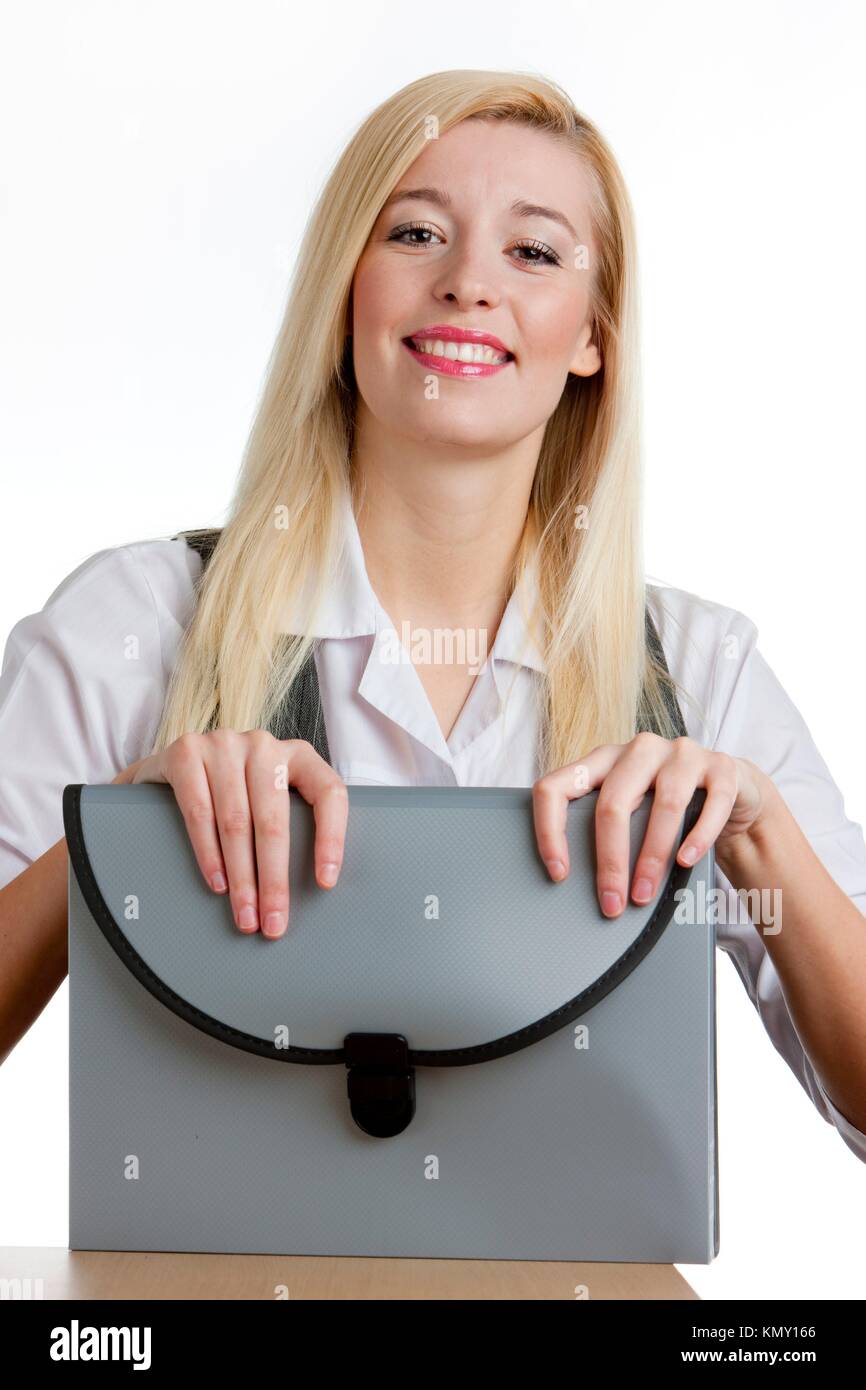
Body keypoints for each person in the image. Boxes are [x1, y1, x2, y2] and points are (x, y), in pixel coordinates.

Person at [1, 69, 865, 1165]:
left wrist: (758, 841)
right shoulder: (137, 618)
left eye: (534, 252)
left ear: (591, 336)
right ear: (343, 288)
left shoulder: (702, 671)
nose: (467, 284)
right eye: (415, 233)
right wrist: (116, 828)